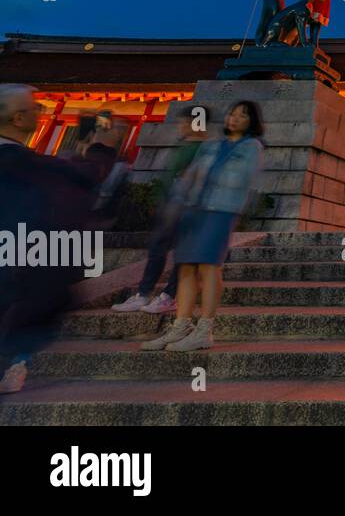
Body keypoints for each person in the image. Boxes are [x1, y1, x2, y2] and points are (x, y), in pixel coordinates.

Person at [0, 85, 119, 394]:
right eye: (35, 108)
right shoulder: (22, 163)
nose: (41, 112)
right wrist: (102, 148)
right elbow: (79, 179)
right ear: (18, 117)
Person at [141, 101, 264, 353]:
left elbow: (241, 177)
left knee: (209, 266)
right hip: (194, 208)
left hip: (221, 209)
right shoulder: (211, 145)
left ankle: (204, 328)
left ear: (251, 122)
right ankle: (181, 324)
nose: (235, 119)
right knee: (186, 266)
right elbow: (191, 174)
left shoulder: (252, 147)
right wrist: (177, 201)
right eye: (232, 113)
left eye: (242, 116)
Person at [112, 110, 208, 314]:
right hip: (172, 205)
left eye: (186, 122)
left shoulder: (202, 149)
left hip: (188, 207)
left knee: (181, 253)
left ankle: (169, 295)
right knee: (159, 248)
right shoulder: (187, 147)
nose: (182, 126)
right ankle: (145, 293)